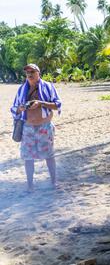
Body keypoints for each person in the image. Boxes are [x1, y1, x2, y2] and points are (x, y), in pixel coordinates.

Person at [10, 64, 62, 192]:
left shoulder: (48, 87)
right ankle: (30, 185)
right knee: (28, 157)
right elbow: (14, 109)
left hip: (44, 127)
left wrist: (41, 104)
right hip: (27, 128)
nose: (29, 74)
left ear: (38, 73)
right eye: (27, 72)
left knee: (49, 155)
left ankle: (54, 182)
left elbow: (57, 105)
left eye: (32, 71)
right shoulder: (22, 89)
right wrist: (20, 108)